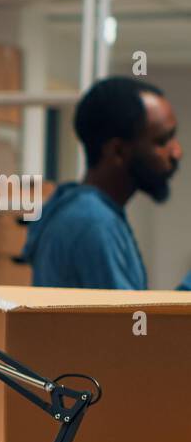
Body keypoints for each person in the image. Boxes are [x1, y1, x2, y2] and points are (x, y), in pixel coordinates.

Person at [21, 76, 181, 289]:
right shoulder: (93, 222)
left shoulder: (78, 209)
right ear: (118, 151)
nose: (176, 152)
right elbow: (130, 322)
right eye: (162, 141)